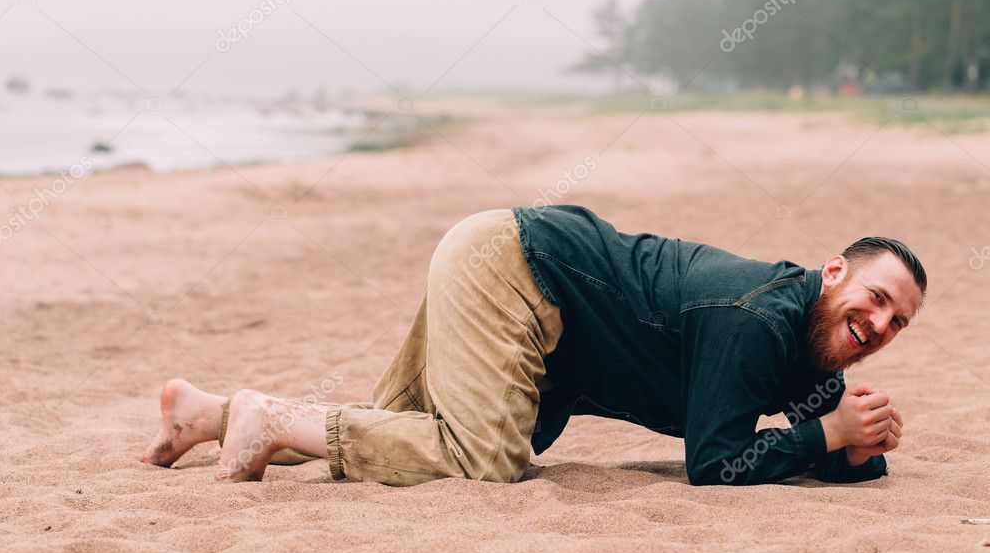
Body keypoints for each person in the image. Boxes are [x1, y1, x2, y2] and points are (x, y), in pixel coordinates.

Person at [141, 205, 925, 486]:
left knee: (401, 431)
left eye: (898, 322)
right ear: (831, 272)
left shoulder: (814, 339)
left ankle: (209, 416)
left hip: (517, 272)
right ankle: (267, 418)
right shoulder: (757, 319)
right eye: (877, 297)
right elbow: (716, 464)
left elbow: (825, 445)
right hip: (514, 268)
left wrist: (858, 448)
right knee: (483, 461)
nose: (880, 323)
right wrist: (827, 435)